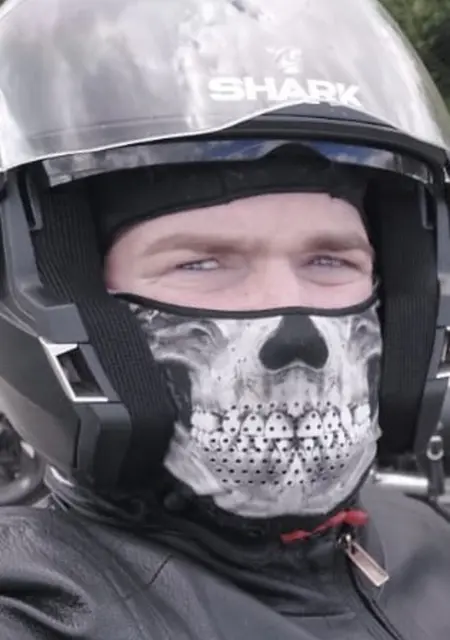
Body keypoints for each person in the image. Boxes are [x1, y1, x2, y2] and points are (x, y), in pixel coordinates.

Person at [0, 0, 450, 638]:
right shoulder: (44, 609)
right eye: (202, 263)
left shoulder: (426, 538)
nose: (295, 325)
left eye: (329, 259)